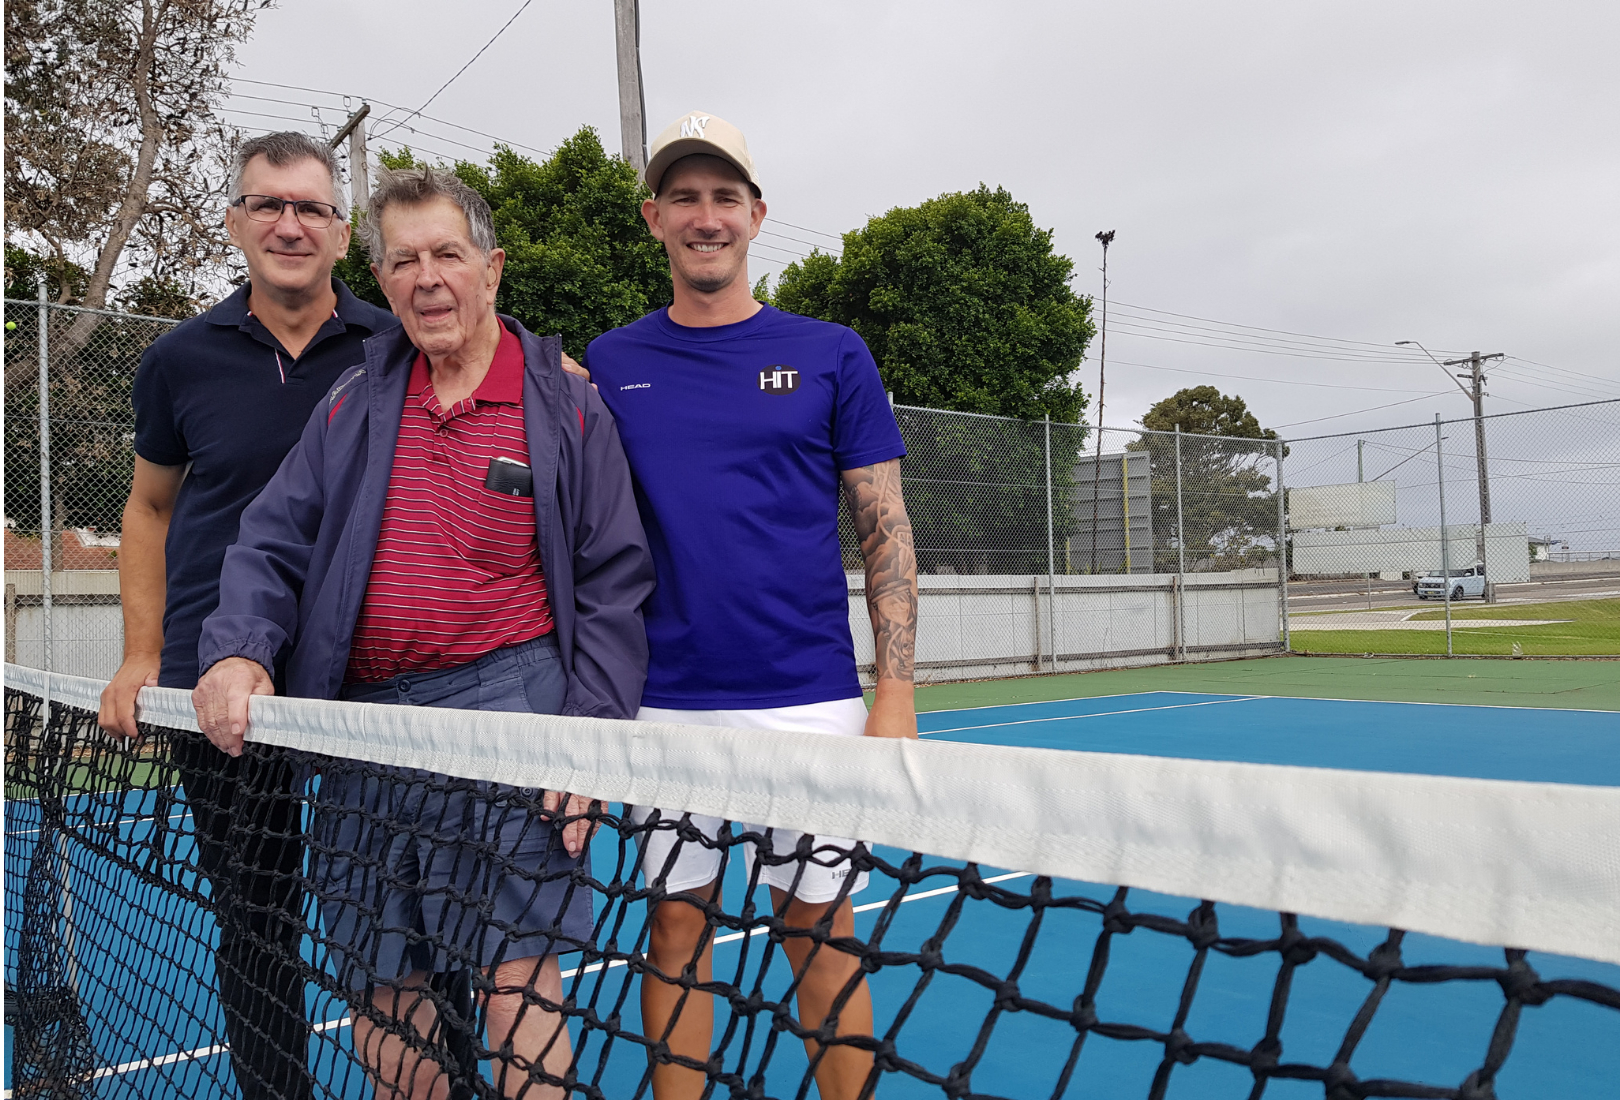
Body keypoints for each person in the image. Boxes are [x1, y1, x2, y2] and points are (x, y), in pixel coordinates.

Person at [190, 165, 655, 1099]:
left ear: (493, 268)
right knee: (383, 997)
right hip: (361, 731)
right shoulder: (351, 402)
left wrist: (591, 735)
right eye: (403, 261)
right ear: (382, 280)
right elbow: (270, 541)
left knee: (516, 988)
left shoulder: (570, 407)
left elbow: (613, 581)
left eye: (447, 254)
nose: (427, 278)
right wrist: (238, 649)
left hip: (509, 713)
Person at [585, 112, 920, 1100]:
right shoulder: (610, 361)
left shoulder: (833, 353)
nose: (706, 216)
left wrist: (895, 693)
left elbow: (886, 526)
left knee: (819, 934)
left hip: (809, 700)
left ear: (756, 215)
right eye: (684, 197)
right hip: (664, 702)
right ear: (654, 218)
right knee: (675, 929)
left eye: (724, 197)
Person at [96, 131, 399, 1100]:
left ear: (342, 233)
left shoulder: (395, 344)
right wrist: (141, 652)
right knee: (257, 921)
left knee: (406, 918)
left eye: (311, 207)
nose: (289, 224)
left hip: (368, 673)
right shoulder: (178, 359)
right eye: (268, 204)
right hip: (219, 681)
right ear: (235, 223)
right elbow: (148, 508)